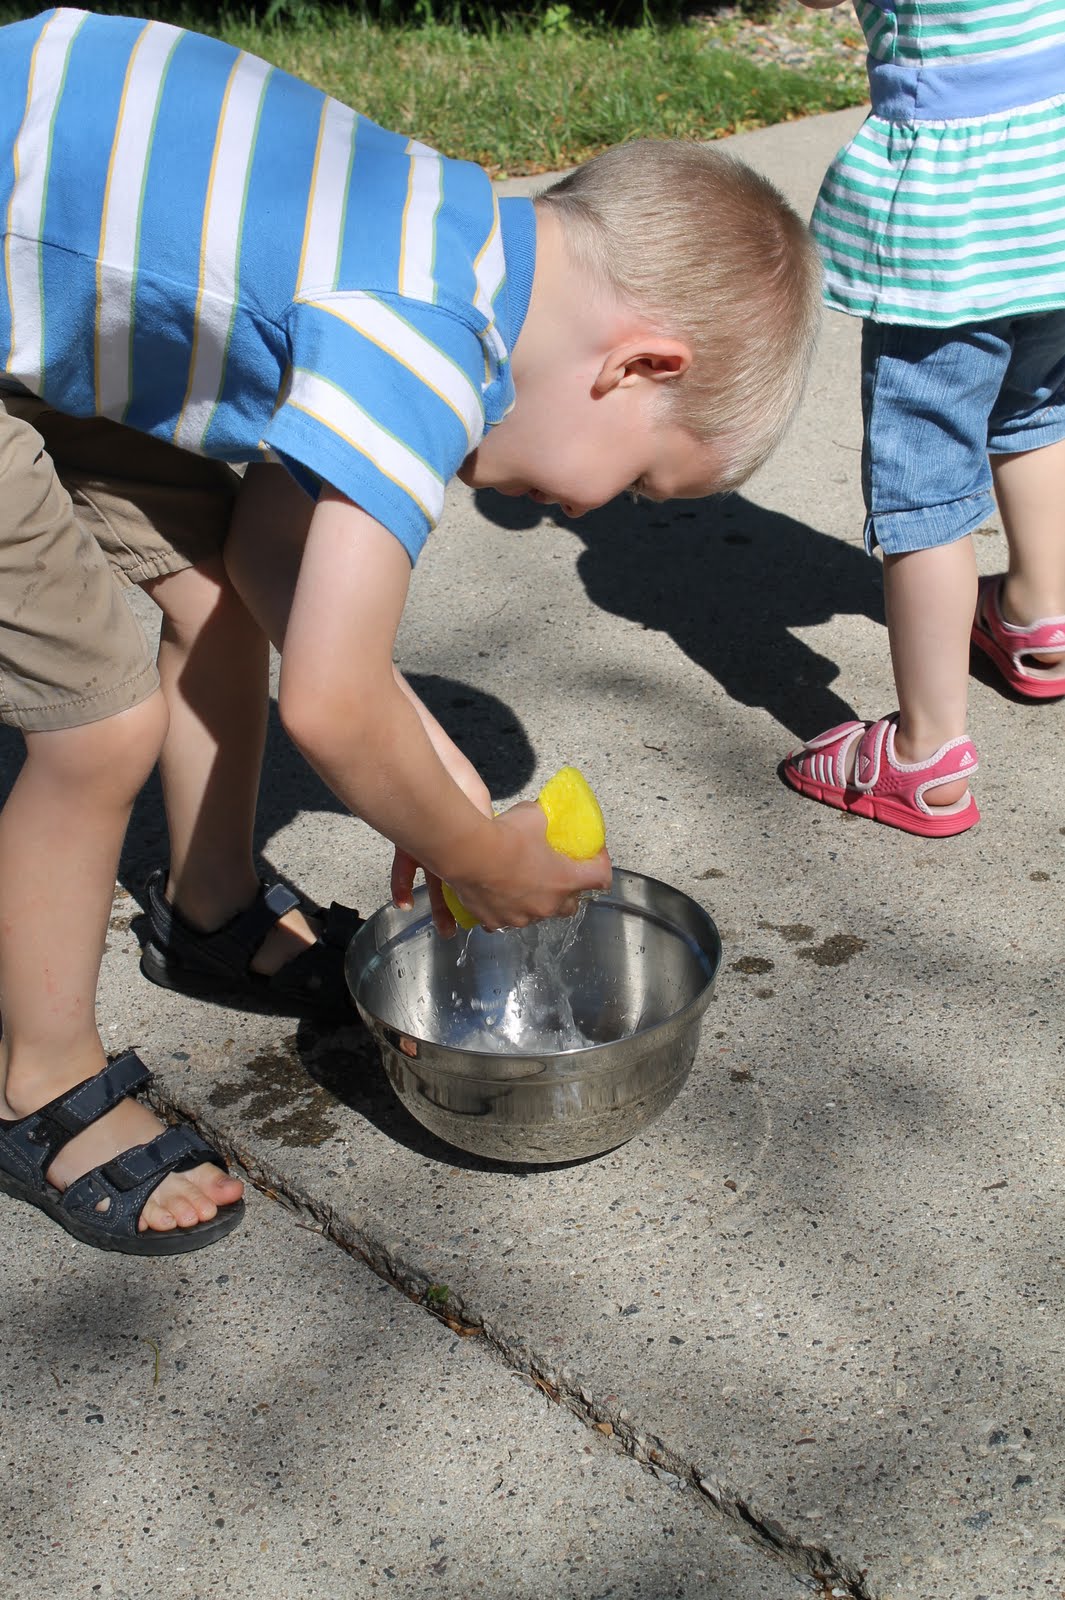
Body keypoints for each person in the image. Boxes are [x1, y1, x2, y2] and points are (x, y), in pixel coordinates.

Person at [0, 7, 822, 1255]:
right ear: (638, 367)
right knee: (100, 720)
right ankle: (38, 1081)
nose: (588, 514)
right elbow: (329, 701)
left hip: (52, 286)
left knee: (213, 584)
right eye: (644, 484)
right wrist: (474, 857)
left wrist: (446, 809)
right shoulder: (428, 343)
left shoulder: (463, 237)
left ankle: (209, 906)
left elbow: (273, 552)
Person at [784, 0, 1065, 837]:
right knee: (1039, 403)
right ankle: (1038, 619)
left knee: (926, 480)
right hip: (1050, 184)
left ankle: (925, 757)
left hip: (952, 222)